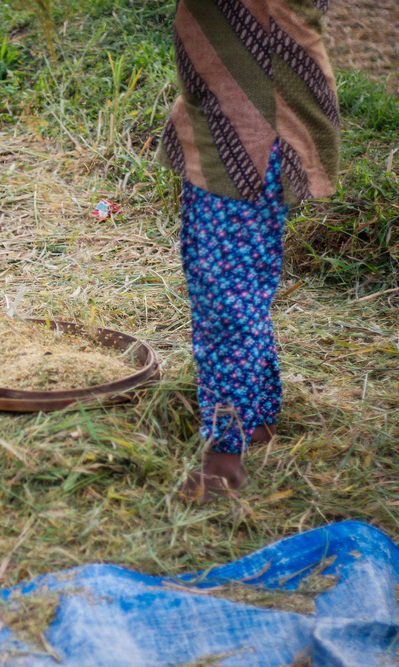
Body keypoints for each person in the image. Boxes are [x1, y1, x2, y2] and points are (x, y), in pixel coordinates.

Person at [156, 0, 340, 499]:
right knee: (241, 284)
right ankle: (256, 416)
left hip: (251, 132)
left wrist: (222, 451)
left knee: (226, 300)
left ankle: (224, 456)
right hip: (230, 118)